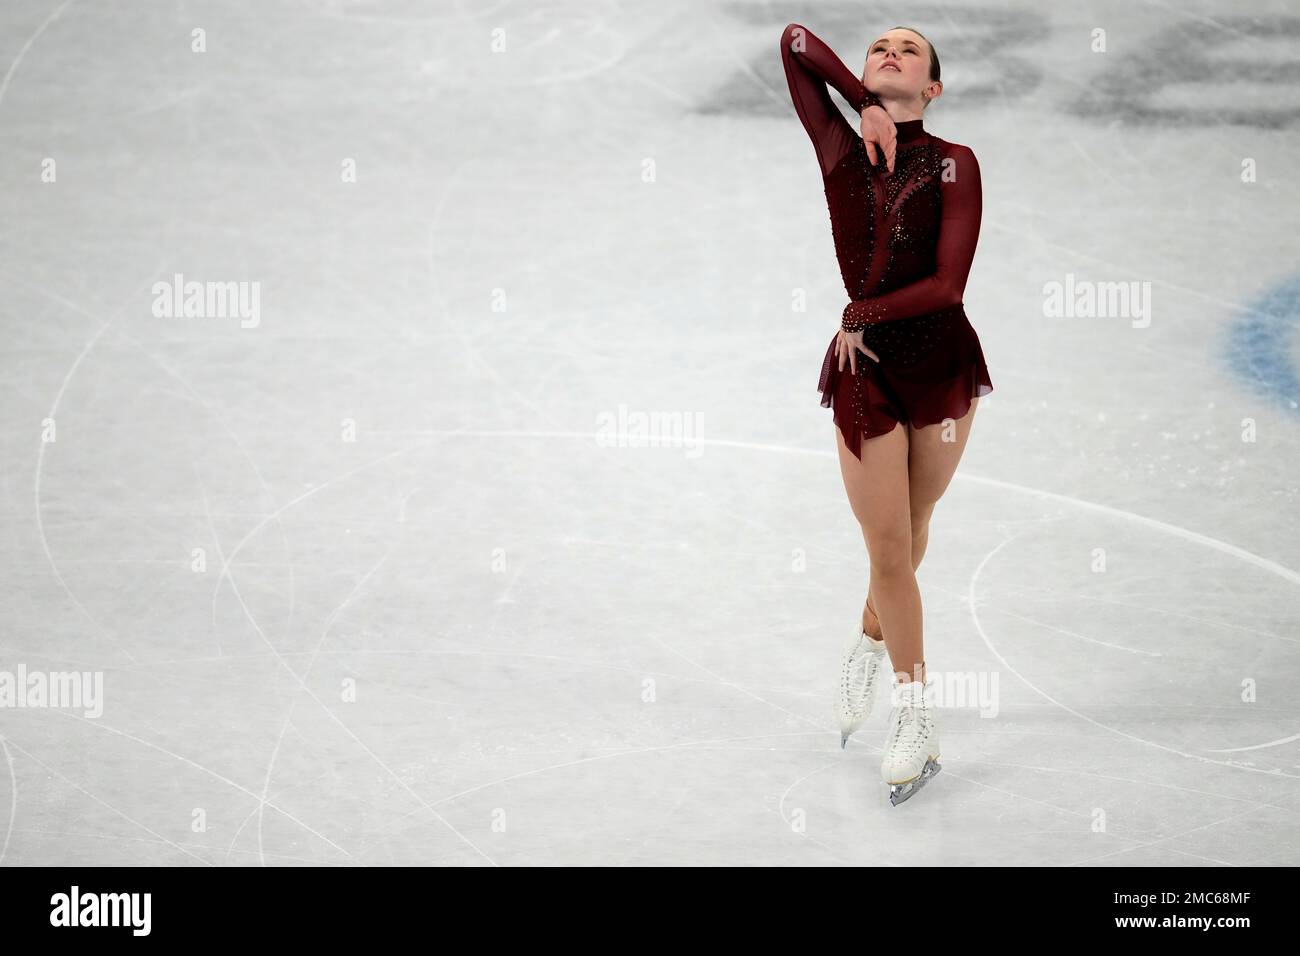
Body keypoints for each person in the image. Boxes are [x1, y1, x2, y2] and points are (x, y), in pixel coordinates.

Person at [779, 21, 994, 804]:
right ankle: (916, 713)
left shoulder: (954, 165)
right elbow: (795, 41)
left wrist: (858, 314)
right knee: (892, 550)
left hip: (938, 367)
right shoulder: (839, 148)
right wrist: (862, 100)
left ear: (933, 88)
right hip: (865, 379)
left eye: (910, 52)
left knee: (914, 522)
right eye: (879, 48)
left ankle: (869, 644)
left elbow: (947, 287)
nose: (891, 53)